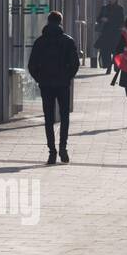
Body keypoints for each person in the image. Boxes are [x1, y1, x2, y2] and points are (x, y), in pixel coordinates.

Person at [27, 11, 80, 165]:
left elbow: (31, 65)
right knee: (64, 117)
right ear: (60, 22)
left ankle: (52, 152)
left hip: (46, 85)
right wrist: (67, 77)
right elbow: (75, 64)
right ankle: (63, 148)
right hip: (62, 85)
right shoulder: (68, 41)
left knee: (48, 119)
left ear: (48, 22)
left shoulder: (40, 42)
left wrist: (40, 79)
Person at [94, 0, 125, 73]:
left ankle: (114, 65)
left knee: (115, 51)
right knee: (106, 51)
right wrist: (102, 19)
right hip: (106, 33)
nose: (112, 0)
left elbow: (121, 21)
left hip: (116, 33)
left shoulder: (120, 8)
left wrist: (109, 20)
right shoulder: (105, 8)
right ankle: (108, 66)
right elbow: (98, 18)